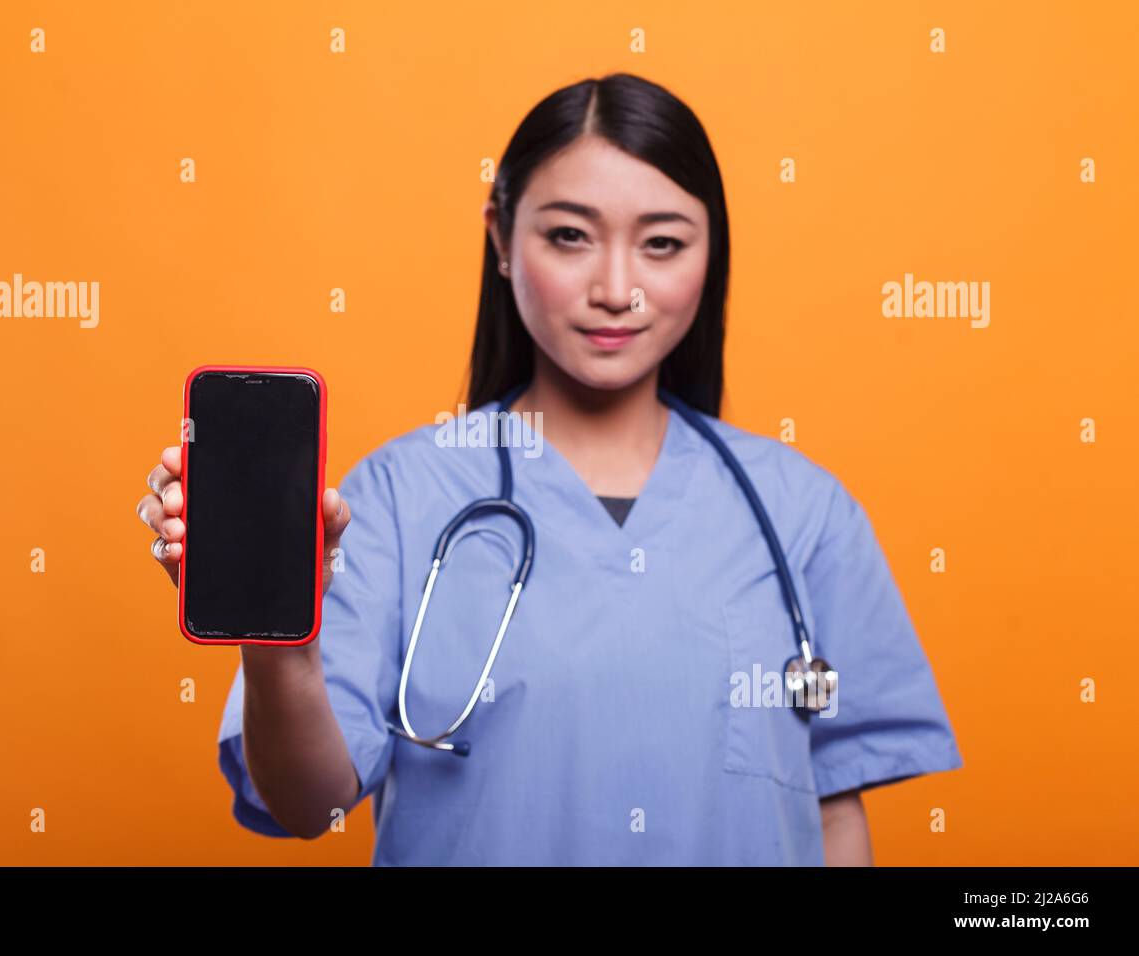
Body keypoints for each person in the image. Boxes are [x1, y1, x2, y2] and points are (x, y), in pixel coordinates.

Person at [136, 72, 962, 866]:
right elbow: (307, 805)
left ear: (712, 253)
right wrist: (278, 644)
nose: (617, 289)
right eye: (570, 235)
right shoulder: (396, 498)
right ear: (501, 237)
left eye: (663, 244)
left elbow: (832, 813)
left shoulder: (802, 510)